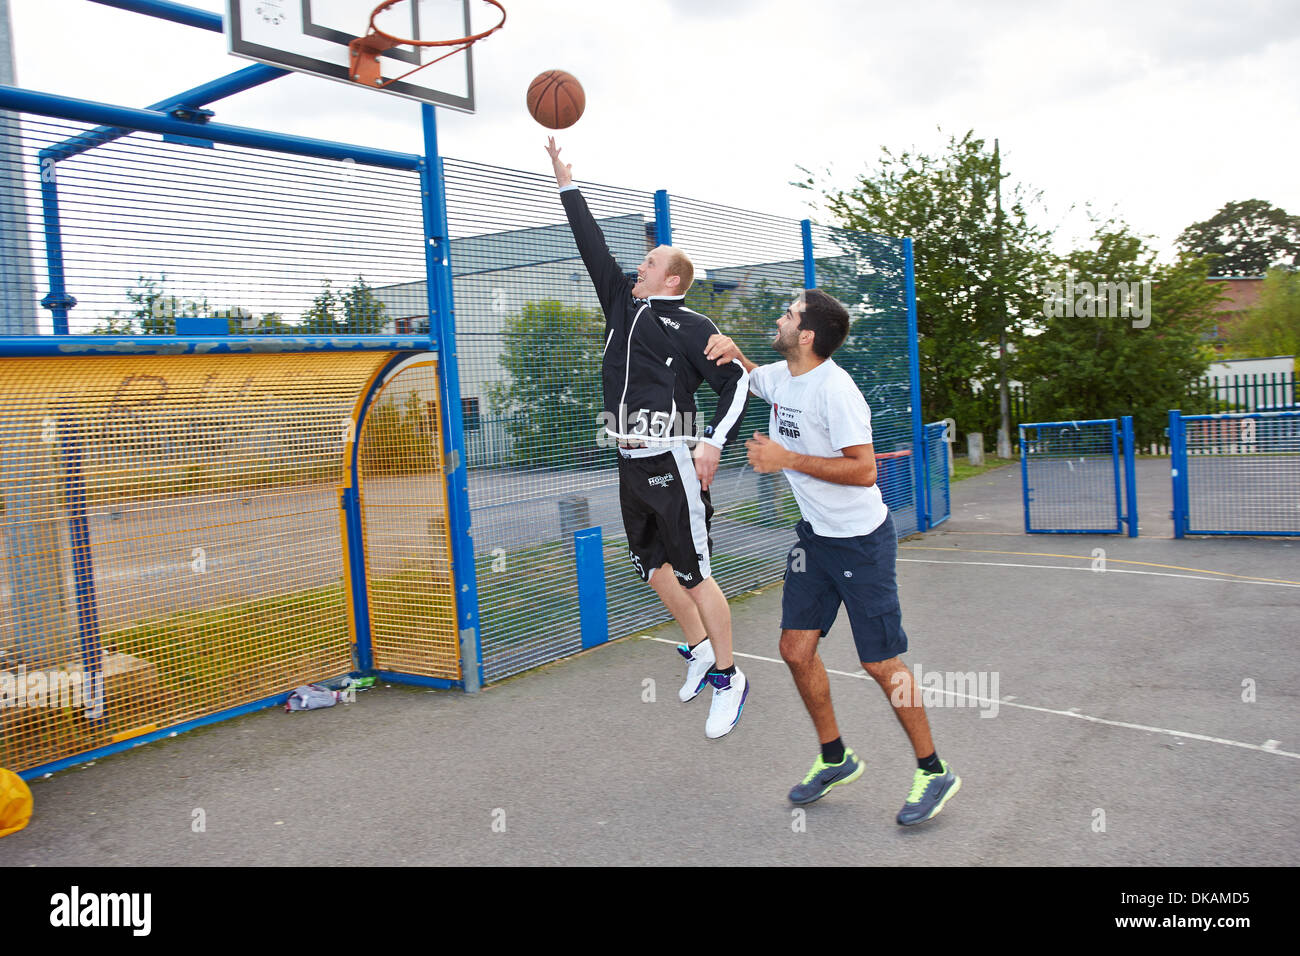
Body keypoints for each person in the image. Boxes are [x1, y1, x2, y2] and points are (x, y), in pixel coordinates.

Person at [704, 289, 960, 824]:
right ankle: (835, 757)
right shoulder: (782, 374)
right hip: (815, 541)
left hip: (861, 542)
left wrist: (786, 458)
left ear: (807, 335)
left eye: (789, 315)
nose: (780, 318)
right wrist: (734, 354)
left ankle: (934, 771)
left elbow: (865, 470)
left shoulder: (836, 391)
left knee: (879, 661)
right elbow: (755, 379)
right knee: (795, 650)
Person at [545, 138, 751, 738]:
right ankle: (700, 650)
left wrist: (713, 441)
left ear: (673, 278)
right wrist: (566, 183)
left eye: (651, 262)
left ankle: (730, 677)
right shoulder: (621, 306)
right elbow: (592, 245)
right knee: (652, 565)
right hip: (628, 458)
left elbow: (735, 384)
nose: (640, 266)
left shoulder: (695, 327)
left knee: (692, 571)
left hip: (673, 457)